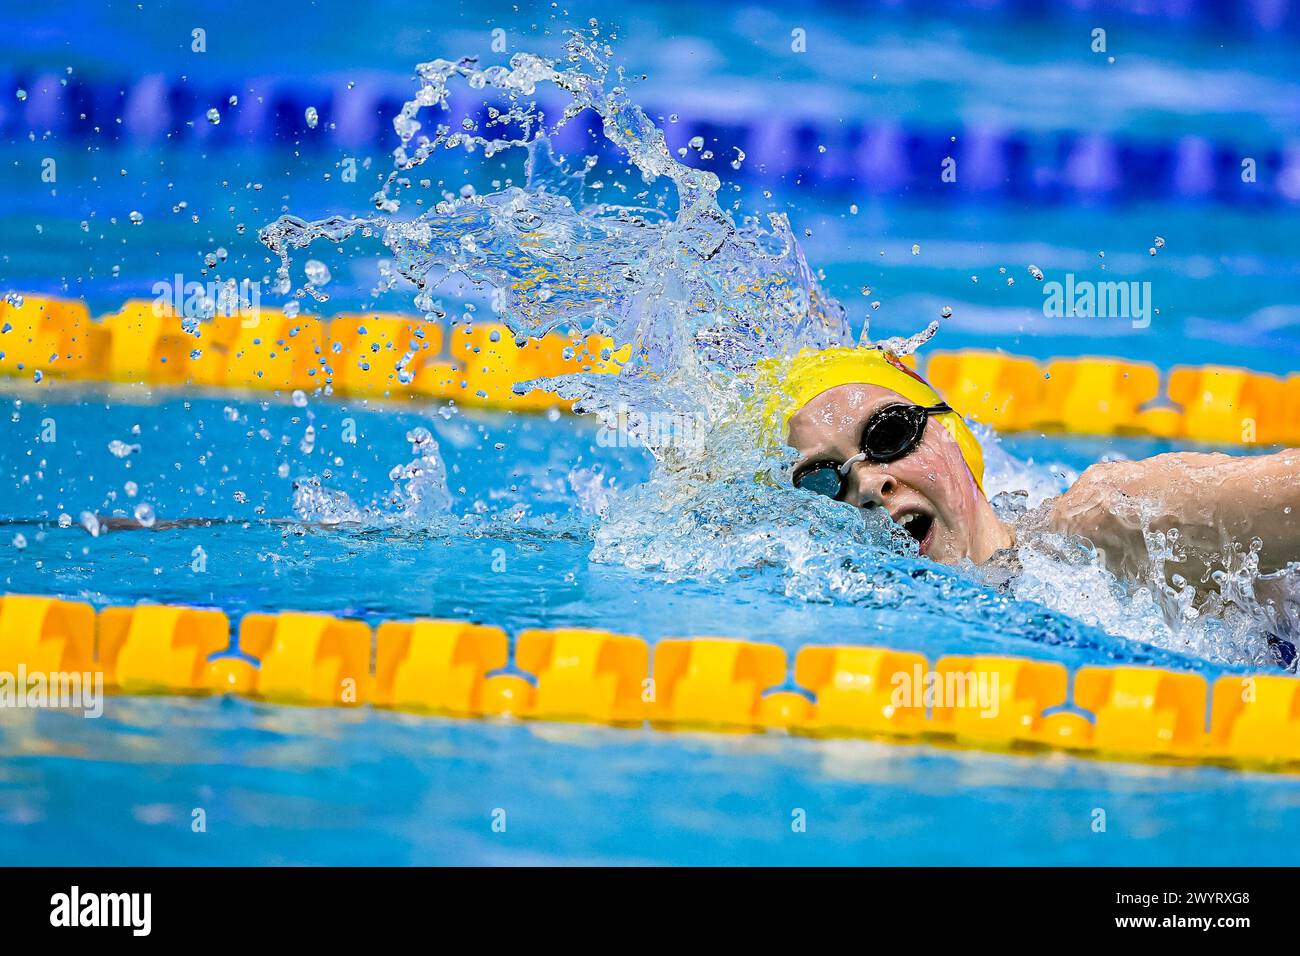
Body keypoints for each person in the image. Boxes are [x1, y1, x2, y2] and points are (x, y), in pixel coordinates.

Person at [763, 346, 1300, 626]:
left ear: (951, 432)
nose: (868, 484)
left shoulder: (1111, 523)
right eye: (822, 480)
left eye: (889, 434)